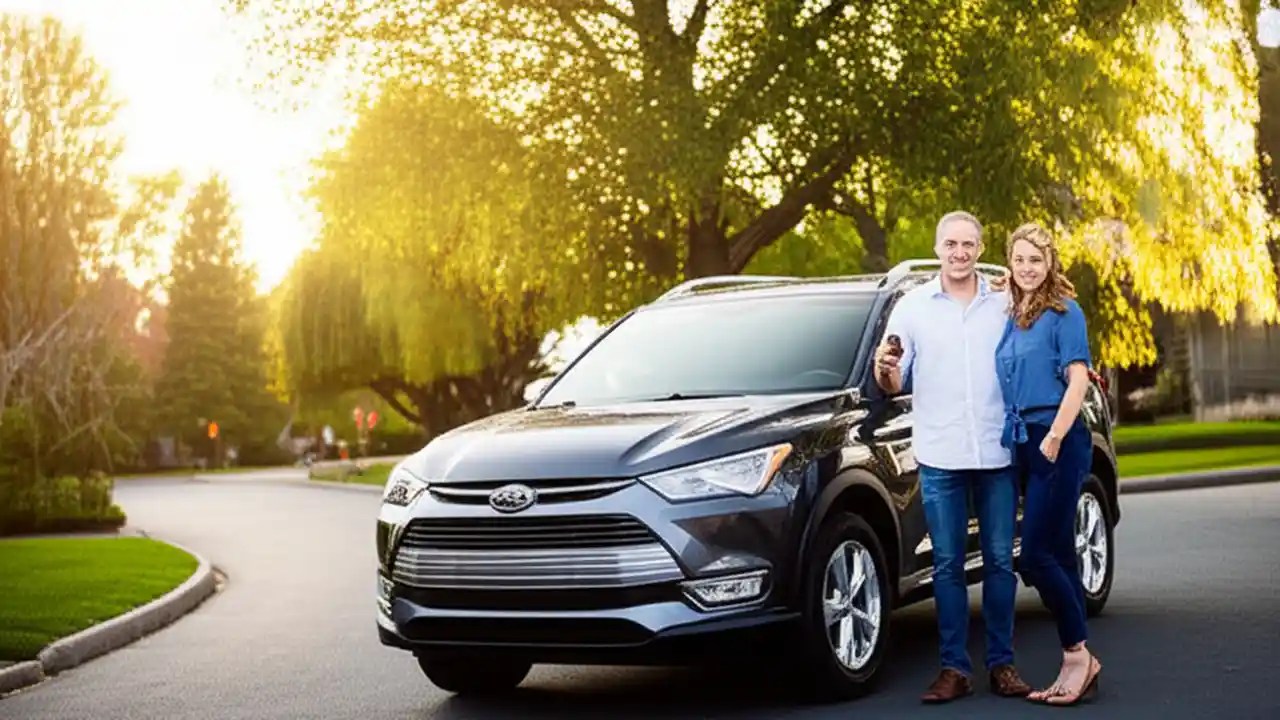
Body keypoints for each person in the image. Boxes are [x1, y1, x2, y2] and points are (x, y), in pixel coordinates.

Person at [874, 211, 1032, 703]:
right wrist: (884, 371)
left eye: (968, 244)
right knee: (946, 565)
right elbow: (896, 380)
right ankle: (953, 669)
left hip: (996, 450)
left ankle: (1002, 666)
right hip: (940, 450)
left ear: (981, 249)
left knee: (1001, 563)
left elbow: (1037, 338)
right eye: (951, 243)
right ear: (937, 246)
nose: (959, 252)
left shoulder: (1005, 301)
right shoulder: (912, 307)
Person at [995, 222, 1102, 705]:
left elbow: (1078, 380)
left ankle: (1078, 654)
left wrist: (1055, 438)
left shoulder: (1065, 312)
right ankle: (1075, 664)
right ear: (1009, 264)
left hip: (1055, 439)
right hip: (1021, 439)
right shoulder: (1011, 314)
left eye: (1035, 260)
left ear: (1050, 262)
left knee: (1033, 555)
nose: (1027, 268)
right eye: (1019, 260)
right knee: (1058, 553)